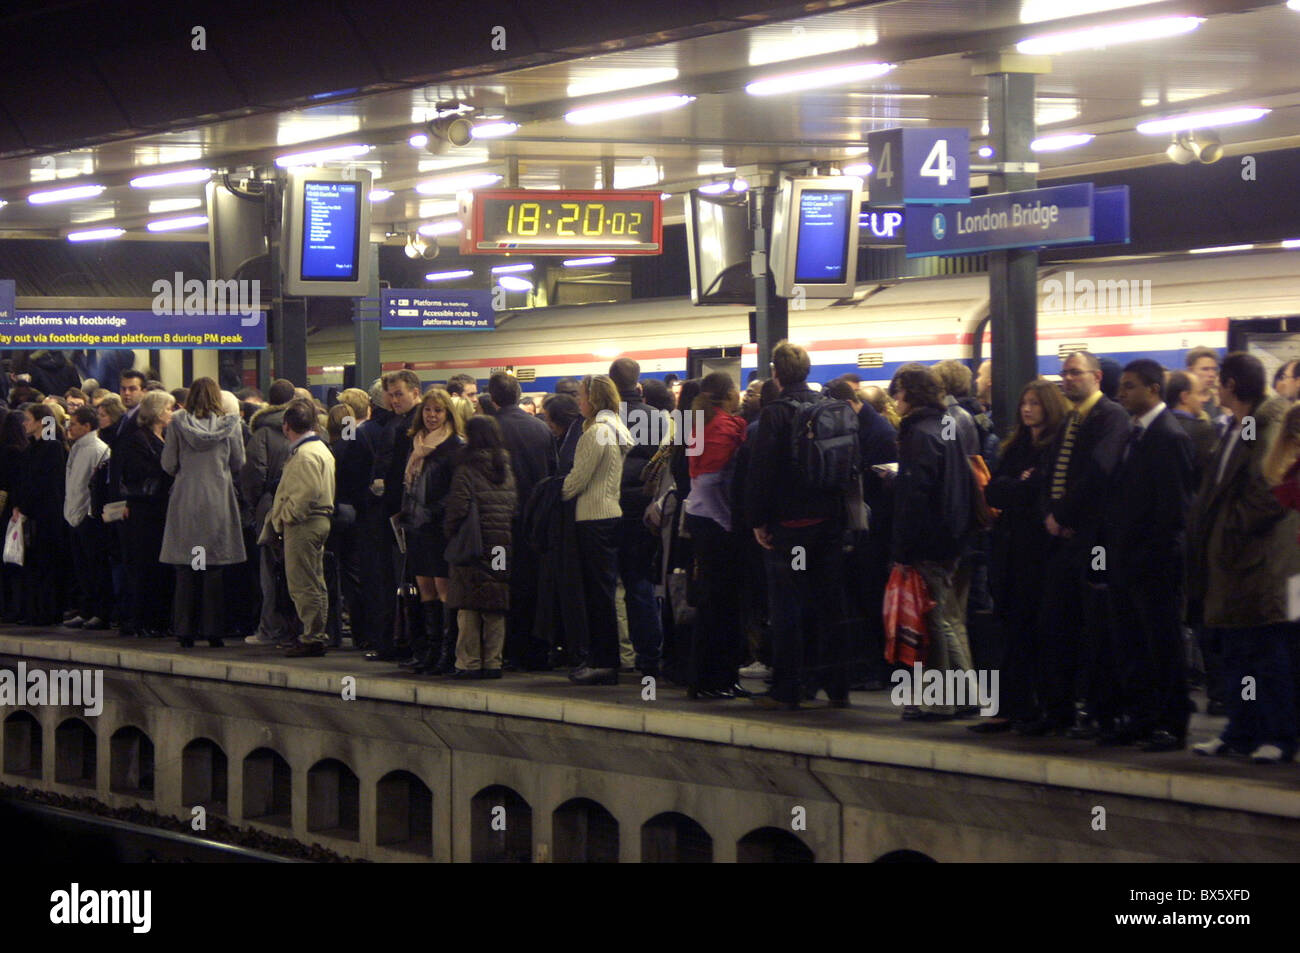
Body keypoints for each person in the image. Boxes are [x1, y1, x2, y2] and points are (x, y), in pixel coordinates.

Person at [1188, 353, 1300, 763]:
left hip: (1261, 564)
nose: (1214, 389)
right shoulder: (1238, 425)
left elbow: (1269, 488)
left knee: (1266, 652)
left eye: (1219, 382)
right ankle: (1241, 729)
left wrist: (1227, 527)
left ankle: (1278, 734)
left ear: (1232, 385)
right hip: (1233, 565)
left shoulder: (1267, 423)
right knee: (1237, 652)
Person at [1026, 350, 1130, 737]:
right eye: (1064, 373)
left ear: (1096, 376)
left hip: (1095, 539)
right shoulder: (1070, 419)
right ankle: (1059, 708)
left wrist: (1064, 516)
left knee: (1097, 627)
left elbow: (1099, 473)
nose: (1067, 379)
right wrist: (1049, 515)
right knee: (1056, 624)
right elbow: (1051, 474)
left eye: (1075, 373)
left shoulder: (1110, 417)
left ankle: (1103, 712)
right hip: (1063, 538)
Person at [745, 341, 853, 710]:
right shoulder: (827, 406)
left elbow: (762, 474)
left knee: (788, 603)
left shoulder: (774, 414)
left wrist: (758, 521)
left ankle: (790, 686)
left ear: (776, 373)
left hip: (792, 531)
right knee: (829, 602)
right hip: (829, 526)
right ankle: (837, 685)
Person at [1098, 359, 1197, 750]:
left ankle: (1172, 722)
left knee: (1162, 644)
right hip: (1126, 560)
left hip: (1154, 563)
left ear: (1154, 389)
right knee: (1132, 643)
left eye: (1130, 387)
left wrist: (1149, 554)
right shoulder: (1134, 433)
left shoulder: (1169, 438)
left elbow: (1174, 509)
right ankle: (1141, 716)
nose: (1122, 394)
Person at [977, 379, 1069, 733]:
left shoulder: (1053, 448)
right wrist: (1022, 484)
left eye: (1034, 403)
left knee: (1039, 627)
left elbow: (1035, 491)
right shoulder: (1014, 447)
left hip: (1040, 551)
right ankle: (1011, 705)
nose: (1027, 409)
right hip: (1010, 549)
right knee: (1011, 627)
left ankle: (1042, 707)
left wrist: (1019, 486)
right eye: (1024, 403)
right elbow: (995, 492)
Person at [889, 363, 976, 719]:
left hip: (929, 540)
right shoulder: (946, 425)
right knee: (948, 617)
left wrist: (902, 550)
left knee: (936, 619)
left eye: (897, 393)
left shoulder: (919, 434)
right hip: (952, 535)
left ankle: (941, 700)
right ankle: (968, 694)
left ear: (908, 393)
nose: (894, 400)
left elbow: (916, 496)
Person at [160, 377, 246, 648]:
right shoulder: (231, 424)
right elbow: (238, 462)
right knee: (213, 570)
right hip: (217, 500)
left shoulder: (176, 423)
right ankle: (213, 631)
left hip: (187, 500)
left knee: (186, 568)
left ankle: (184, 630)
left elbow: (168, 463)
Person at [561, 374, 632, 685]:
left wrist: (553, 492)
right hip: (611, 515)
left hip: (592, 517)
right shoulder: (616, 428)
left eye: (582, 395)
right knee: (608, 591)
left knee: (597, 595)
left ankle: (603, 662)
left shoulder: (596, 433)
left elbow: (578, 479)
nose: (579, 401)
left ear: (594, 399)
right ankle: (609, 659)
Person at [682, 372, 748, 699]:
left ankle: (715, 677)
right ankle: (713, 679)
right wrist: (729, 522)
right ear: (728, 394)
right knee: (721, 604)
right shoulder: (719, 427)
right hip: (714, 525)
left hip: (702, 521)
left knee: (715, 603)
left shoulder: (699, 422)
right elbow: (708, 482)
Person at [487, 371, 557, 670]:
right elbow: (553, 474)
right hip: (537, 520)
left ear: (492, 398)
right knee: (534, 585)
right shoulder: (541, 429)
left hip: (501, 522)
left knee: (503, 584)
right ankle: (536, 650)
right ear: (518, 395)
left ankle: (508, 649)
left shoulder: (490, 430)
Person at [396, 387, 464, 673]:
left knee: (443, 588)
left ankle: (448, 654)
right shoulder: (416, 444)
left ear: (447, 413)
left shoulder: (455, 446)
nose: (432, 416)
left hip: (441, 528)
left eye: (438, 410)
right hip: (417, 528)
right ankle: (429, 650)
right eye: (427, 410)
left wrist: (433, 511)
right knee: (424, 589)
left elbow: (458, 490)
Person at [444, 415, 517, 678]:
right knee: (495, 603)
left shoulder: (466, 468)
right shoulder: (505, 465)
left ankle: (469, 662)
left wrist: (449, 533)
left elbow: (457, 508)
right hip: (501, 544)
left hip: (473, 543)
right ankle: (494, 662)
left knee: (469, 604)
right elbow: (513, 505)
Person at [264, 399, 336, 657]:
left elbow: (305, 495)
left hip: (305, 524)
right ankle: (316, 632)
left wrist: (285, 517)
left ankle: (312, 636)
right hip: (317, 521)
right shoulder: (319, 449)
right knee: (315, 580)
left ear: (286, 426)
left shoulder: (305, 455)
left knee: (303, 582)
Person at [357, 371, 420, 661]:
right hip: (393, 513)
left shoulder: (414, 425)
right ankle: (396, 640)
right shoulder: (396, 423)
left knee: (406, 581)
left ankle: (407, 642)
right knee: (395, 580)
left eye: (399, 394)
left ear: (415, 392)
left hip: (406, 514)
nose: (394, 400)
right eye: (390, 395)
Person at [608, 358, 663, 677]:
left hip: (608, 508)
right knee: (640, 581)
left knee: (607, 583)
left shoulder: (603, 419)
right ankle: (649, 656)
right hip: (642, 509)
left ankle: (611, 654)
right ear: (639, 384)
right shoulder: (660, 418)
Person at [240, 379, 296, 647]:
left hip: (269, 505)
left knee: (268, 570)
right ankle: (297, 627)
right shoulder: (306, 427)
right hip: (297, 507)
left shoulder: (261, 433)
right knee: (296, 569)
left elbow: (254, 473)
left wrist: (254, 505)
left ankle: (271, 628)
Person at [118, 391, 176, 639]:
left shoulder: (162, 437)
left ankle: (159, 619)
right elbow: (137, 474)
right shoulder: (137, 440)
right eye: (168, 409)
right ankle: (143, 619)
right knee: (145, 566)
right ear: (156, 412)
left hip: (160, 510)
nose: (171, 414)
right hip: (145, 511)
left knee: (159, 567)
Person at [12, 404, 68, 626]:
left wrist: (23, 505)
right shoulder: (33, 447)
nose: (25, 423)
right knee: (35, 564)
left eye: (28, 419)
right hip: (34, 514)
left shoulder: (51, 447)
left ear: (40, 422)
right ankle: (34, 609)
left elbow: (42, 483)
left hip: (47, 515)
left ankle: (47, 611)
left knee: (46, 563)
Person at [63, 405, 111, 630]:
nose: (69, 428)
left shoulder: (97, 448)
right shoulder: (77, 448)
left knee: (95, 567)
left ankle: (100, 612)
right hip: (74, 515)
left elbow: (90, 485)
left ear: (87, 426)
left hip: (88, 517)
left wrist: (85, 512)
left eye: (73, 424)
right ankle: (86, 609)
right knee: (82, 568)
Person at [108, 369, 147, 635]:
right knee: (122, 558)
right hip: (119, 500)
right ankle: (126, 615)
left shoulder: (141, 422)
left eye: (132, 388)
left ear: (143, 391)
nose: (127, 393)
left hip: (133, 502)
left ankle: (136, 618)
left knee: (135, 562)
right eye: (123, 388)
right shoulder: (124, 420)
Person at [1165, 370, 1218, 484]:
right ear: (1184, 397)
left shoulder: (1156, 427)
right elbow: (1208, 475)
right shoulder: (1203, 430)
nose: (1204, 399)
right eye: (1199, 393)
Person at [1186, 346, 1228, 437]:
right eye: (1205, 369)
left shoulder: (1222, 401)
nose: (1212, 374)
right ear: (1190, 370)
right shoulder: (1182, 401)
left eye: (1214, 369)